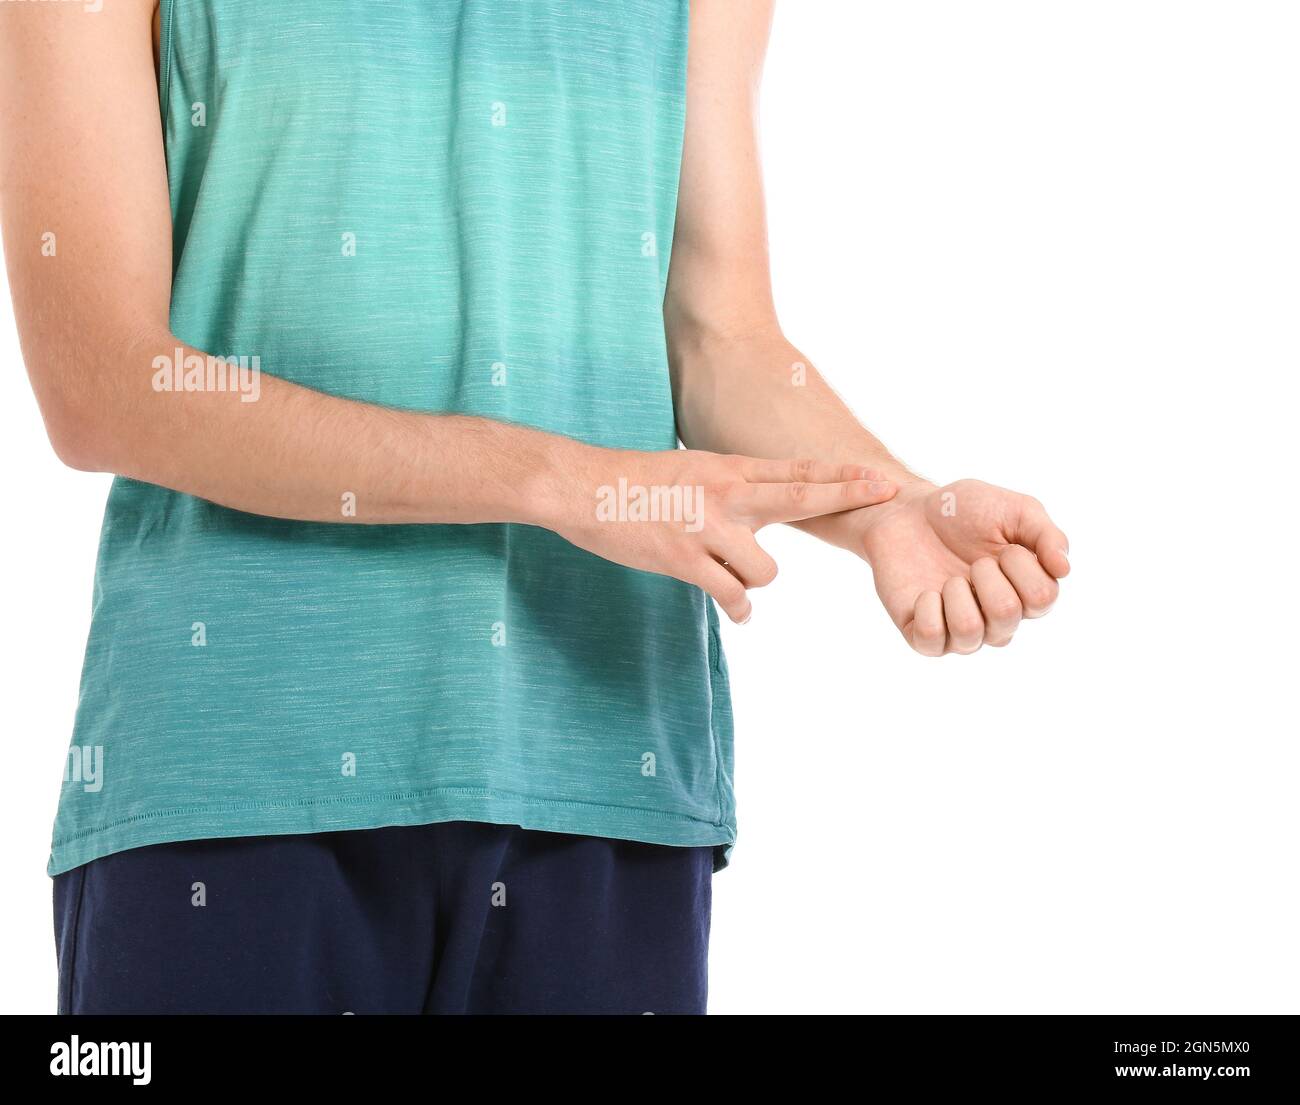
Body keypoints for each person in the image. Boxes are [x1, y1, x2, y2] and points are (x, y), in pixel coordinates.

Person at [0, 0, 1069, 1014]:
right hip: (230, 777)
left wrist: (887, 502)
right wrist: (560, 482)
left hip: (597, 763)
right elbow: (103, 384)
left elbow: (715, 336)